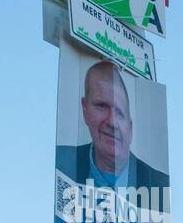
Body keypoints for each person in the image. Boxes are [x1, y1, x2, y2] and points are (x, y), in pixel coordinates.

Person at [56, 59, 169, 195]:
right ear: (85, 109)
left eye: (120, 113)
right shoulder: (63, 164)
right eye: (102, 106)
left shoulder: (159, 185)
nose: (112, 122)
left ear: (130, 129)